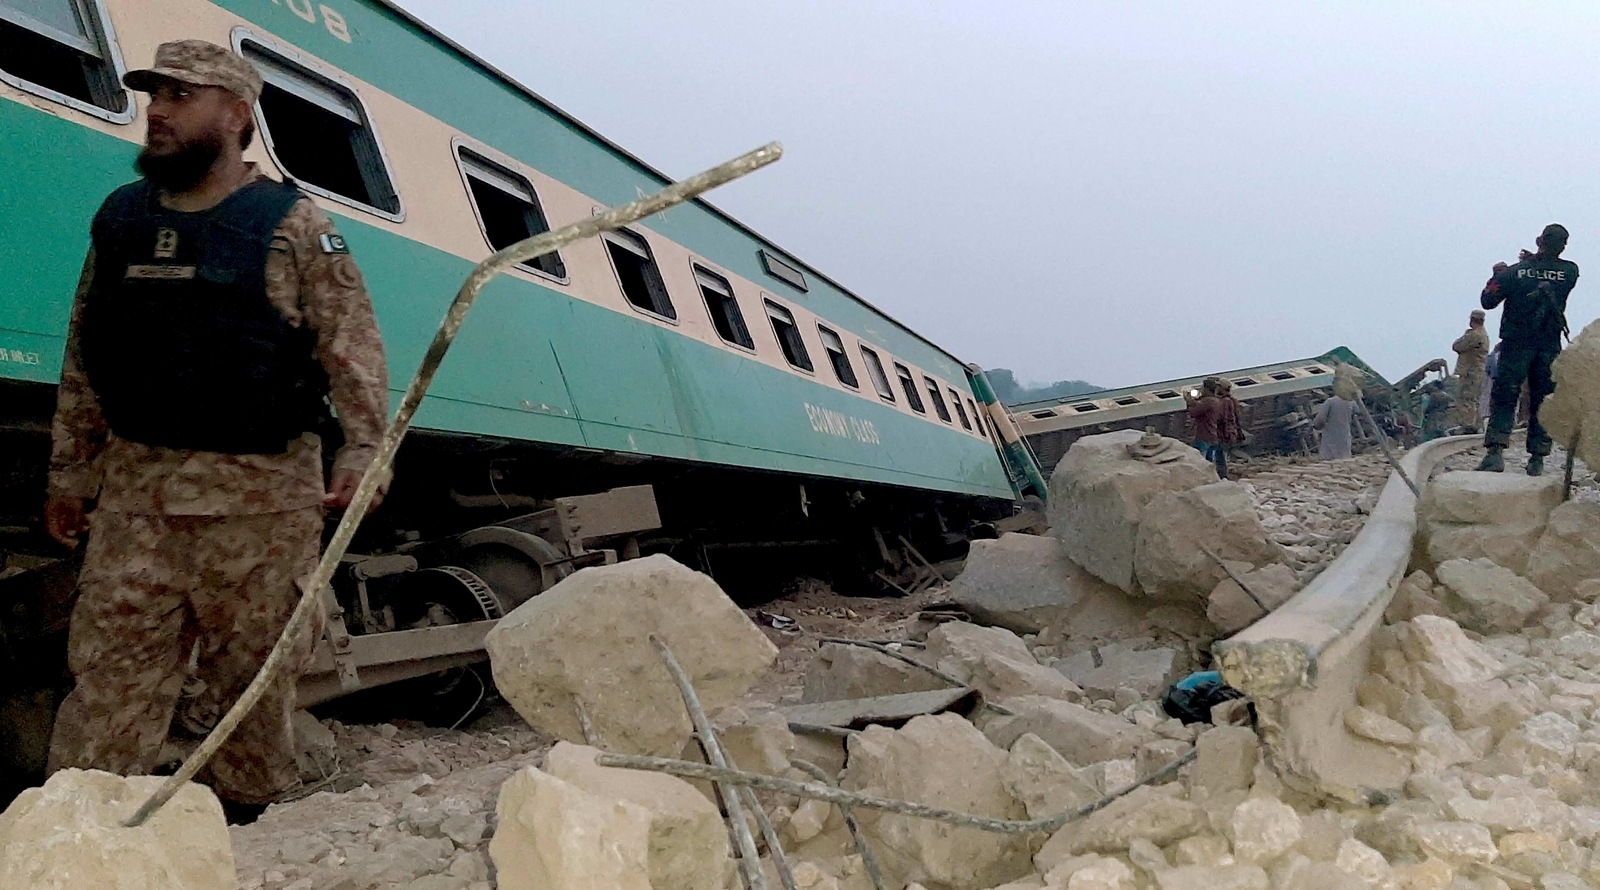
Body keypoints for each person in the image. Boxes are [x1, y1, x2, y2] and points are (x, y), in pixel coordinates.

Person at [41, 41, 389, 821]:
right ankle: (78, 843)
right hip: (137, 506)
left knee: (252, 697)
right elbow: (85, 355)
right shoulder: (122, 221)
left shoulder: (295, 227)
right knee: (107, 687)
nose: (156, 111)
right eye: (153, 93)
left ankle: (249, 834)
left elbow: (352, 351)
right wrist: (70, 475)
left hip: (261, 510)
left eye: (181, 96)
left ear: (236, 116)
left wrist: (366, 453)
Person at [1478, 224, 1579, 475]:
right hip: (1548, 346)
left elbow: (1487, 300)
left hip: (1516, 344)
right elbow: (1548, 272)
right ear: (1563, 245)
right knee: (1542, 400)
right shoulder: (1570, 272)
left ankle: (1495, 453)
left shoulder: (1513, 273)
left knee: (1505, 395)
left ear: (1539, 240)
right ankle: (1537, 458)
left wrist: (1499, 274)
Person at [1451, 309, 1491, 433]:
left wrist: (1464, 336)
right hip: (1475, 371)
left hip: (1470, 372)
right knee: (1473, 399)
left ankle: (1468, 425)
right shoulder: (1481, 334)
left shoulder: (1475, 335)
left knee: (1466, 399)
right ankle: (1474, 425)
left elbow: (1457, 346)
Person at [1312, 392, 1355, 459]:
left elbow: (1320, 419)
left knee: (1329, 459)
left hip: (1331, 435)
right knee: (1345, 458)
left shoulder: (1330, 402)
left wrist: (1316, 426)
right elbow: (1357, 413)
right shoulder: (1351, 402)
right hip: (1345, 434)